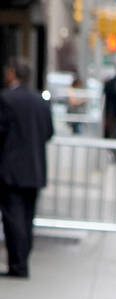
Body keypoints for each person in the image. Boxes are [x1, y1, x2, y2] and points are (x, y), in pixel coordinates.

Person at [0, 57, 54, 278]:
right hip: (34, 169)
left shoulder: (6, 99)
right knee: (27, 218)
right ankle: (22, 261)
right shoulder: (40, 101)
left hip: (11, 170)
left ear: (12, 73)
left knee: (13, 218)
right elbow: (48, 132)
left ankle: (18, 264)